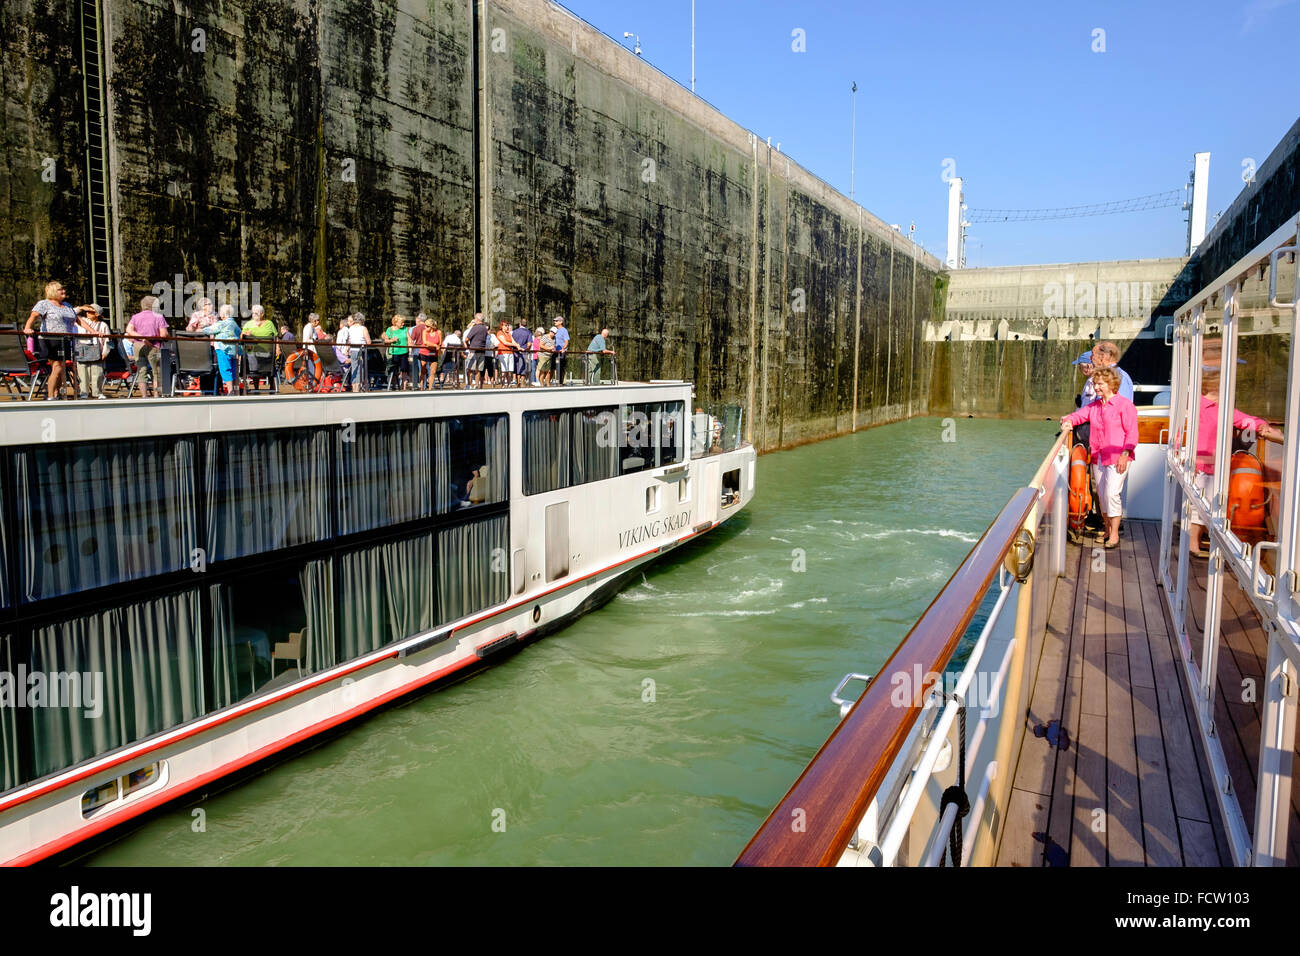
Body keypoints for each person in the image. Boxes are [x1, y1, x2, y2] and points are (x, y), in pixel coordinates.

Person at [1186, 365, 1284, 557]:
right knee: (1196, 507)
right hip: (1197, 465)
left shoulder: (1223, 409)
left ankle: (1201, 544)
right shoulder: (1196, 405)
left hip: (1216, 466)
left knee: (1211, 506)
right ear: (1214, 387)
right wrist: (1187, 458)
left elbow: (1247, 421)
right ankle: (1193, 546)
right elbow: (1185, 432)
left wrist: (1263, 426)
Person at [1060, 367, 1137, 549]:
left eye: (1100, 384)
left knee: (1111, 494)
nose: (1096, 387)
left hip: (1118, 457)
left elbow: (1132, 434)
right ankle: (1108, 530)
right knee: (1102, 496)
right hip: (1098, 457)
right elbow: (1080, 415)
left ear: (1111, 385)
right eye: (1095, 384)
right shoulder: (1095, 406)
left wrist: (1125, 454)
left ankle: (1115, 535)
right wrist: (1068, 420)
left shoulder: (1125, 406)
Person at [25, 280, 86, 400]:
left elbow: (78, 320)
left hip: (64, 339)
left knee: (60, 368)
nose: (64, 291)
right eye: (60, 290)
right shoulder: (44, 303)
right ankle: (51, 395)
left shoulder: (67, 305)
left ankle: (56, 393)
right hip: (50, 339)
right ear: (53, 291)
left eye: (63, 289)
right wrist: (27, 328)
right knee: (57, 366)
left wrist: (93, 331)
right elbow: (33, 316)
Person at [125, 295, 170, 398]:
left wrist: (142, 338)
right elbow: (163, 334)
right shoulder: (158, 316)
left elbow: (129, 330)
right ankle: (156, 395)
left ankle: (144, 396)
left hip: (138, 346)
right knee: (156, 372)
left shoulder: (135, 317)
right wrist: (148, 339)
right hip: (154, 346)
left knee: (141, 371)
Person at [73, 303, 111, 399]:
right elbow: (71, 313)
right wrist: (81, 307)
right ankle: (84, 393)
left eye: (90, 311)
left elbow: (108, 341)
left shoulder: (103, 325)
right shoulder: (80, 321)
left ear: (97, 314)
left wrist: (105, 352)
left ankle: (97, 392)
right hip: (82, 349)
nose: (87, 313)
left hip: (98, 350)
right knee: (82, 373)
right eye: (87, 311)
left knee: (97, 373)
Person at [207, 304, 244, 395]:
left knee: (225, 369)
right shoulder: (234, 323)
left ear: (223, 314)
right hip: (234, 349)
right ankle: (236, 391)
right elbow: (240, 333)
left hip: (222, 349)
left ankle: (230, 390)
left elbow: (210, 330)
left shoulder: (221, 324)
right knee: (233, 369)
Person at [242, 304, 277, 391]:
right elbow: (241, 337)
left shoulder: (269, 323)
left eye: (256, 313)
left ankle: (271, 385)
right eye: (253, 313)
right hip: (252, 353)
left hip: (267, 354)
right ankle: (256, 387)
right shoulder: (248, 324)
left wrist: (278, 349)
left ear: (262, 314)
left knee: (257, 358)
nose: (254, 315)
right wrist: (245, 334)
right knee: (251, 356)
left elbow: (276, 338)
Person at [384, 315, 410, 389]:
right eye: (401, 323)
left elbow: (409, 338)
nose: (403, 324)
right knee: (394, 370)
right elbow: (385, 341)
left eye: (403, 322)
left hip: (404, 352)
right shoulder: (390, 329)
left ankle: (404, 387)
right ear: (395, 322)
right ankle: (394, 386)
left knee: (404, 370)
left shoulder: (405, 329)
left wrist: (411, 343)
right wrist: (392, 340)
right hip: (394, 352)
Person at [463, 313, 489, 388]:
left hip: (473, 350)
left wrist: (467, 345)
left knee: (470, 368)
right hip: (482, 350)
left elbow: (467, 339)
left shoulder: (475, 328)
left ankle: (469, 385)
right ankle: (477, 384)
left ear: (476, 319)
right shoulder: (485, 328)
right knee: (478, 369)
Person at [553, 316, 569, 385]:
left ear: (561, 322)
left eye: (556, 321)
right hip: (555, 351)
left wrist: (563, 349)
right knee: (554, 367)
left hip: (561, 352)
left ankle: (561, 382)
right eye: (554, 321)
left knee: (561, 367)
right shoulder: (555, 330)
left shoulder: (564, 330)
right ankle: (556, 381)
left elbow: (566, 341)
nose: (555, 322)